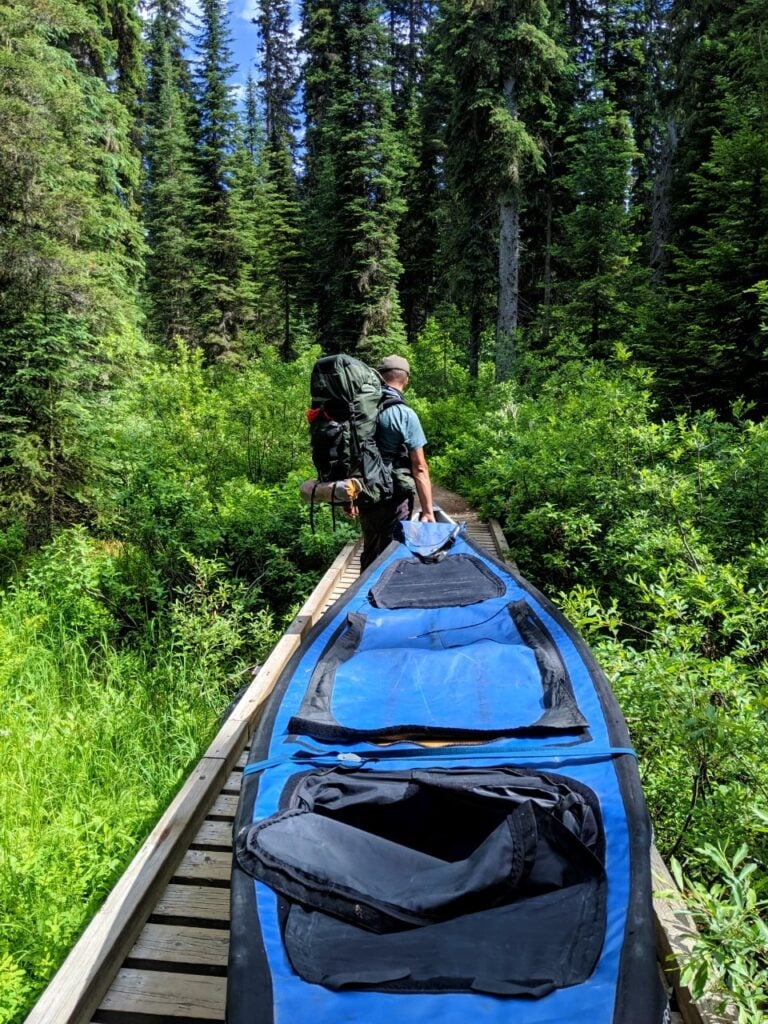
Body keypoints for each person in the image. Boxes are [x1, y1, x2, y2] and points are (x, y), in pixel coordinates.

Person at [358, 354, 435, 570]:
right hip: (395, 495)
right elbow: (419, 467)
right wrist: (427, 511)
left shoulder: (362, 409)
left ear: (380, 378)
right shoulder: (404, 414)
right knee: (392, 553)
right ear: (406, 379)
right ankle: (383, 597)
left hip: (365, 492)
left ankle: (364, 595)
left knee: (371, 549)